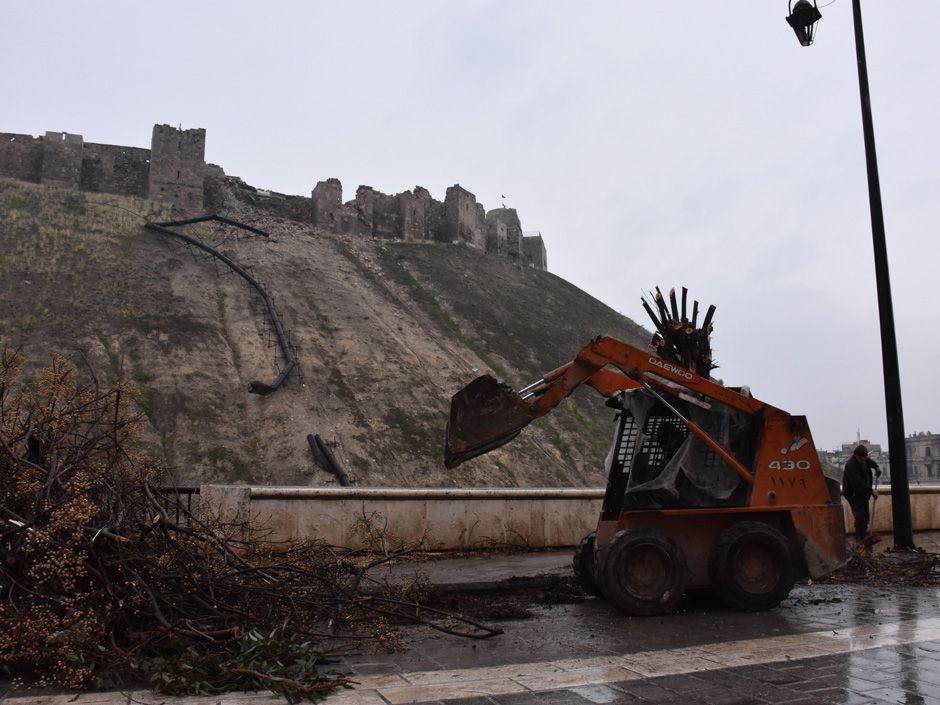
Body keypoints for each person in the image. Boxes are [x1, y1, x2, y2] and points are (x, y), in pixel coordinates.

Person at [842, 445, 881, 543]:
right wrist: (872, 491)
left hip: (863, 494)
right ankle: (859, 540)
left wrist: (876, 467)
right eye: (861, 458)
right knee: (860, 517)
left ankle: (863, 537)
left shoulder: (863, 459)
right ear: (856, 456)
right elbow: (858, 484)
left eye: (864, 457)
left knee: (865, 517)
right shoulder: (851, 466)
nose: (863, 460)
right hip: (854, 495)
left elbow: (869, 462)